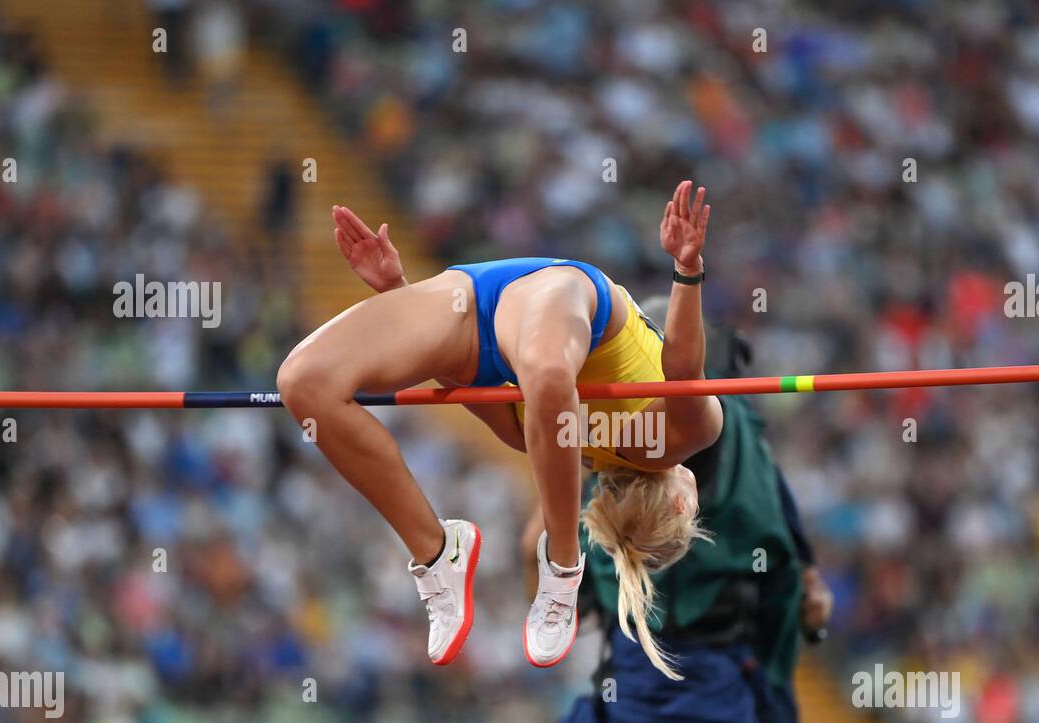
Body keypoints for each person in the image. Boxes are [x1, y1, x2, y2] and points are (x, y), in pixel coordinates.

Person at [276, 181, 723, 677]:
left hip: (474, 313)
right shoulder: (594, 441)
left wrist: (401, 300)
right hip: (557, 306)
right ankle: (554, 561)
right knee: (549, 381)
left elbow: (468, 381)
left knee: (304, 384)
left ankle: (445, 551)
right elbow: (675, 373)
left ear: (682, 502)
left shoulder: (673, 443)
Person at [529, 322, 834, 723]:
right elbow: (804, 585)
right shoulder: (721, 429)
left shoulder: (609, 429)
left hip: (645, 698)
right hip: (703, 695)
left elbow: (536, 542)